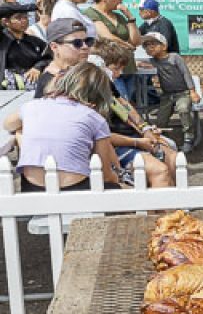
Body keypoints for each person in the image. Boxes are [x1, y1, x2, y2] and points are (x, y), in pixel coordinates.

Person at [4, 62, 123, 191]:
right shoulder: (94, 118)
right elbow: (104, 173)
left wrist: (20, 132)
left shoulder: (32, 106)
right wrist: (116, 179)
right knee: (115, 186)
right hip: (77, 190)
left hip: (33, 189)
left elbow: (7, 124)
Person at [92, 40, 177, 187]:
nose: (118, 74)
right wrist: (139, 142)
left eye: (121, 69)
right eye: (115, 69)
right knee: (160, 170)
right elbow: (102, 137)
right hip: (115, 145)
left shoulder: (109, 87)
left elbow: (125, 107)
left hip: (132, 137)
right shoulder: (92, 95)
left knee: (174, 157)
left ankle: (177, 204)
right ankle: (163, 208)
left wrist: (145, 128)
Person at [83, 0, 142, 99]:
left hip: (127, 67)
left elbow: (136, 41)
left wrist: (130, 17)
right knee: (120, 103)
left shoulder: (118, 17)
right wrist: (127, 46)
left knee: (127, 103)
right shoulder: (91, 14)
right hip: (109, 67)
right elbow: (107, 36)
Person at [143, 31, 200, 154]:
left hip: (183, 92)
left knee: (183, 109)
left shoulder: (175, 57)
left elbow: (186, 73)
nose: (149, 47)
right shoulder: (152, 61)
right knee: (161, 119)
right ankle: (161, 140)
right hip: (167, 95)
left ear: (164, 46)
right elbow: (141, 65)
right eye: (146, 45)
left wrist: (192, 91)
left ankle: (188, 137)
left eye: (153, 44)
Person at [34, 18, 94, 98]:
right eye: (77, 43)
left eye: (88, 41)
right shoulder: (50, 83)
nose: (85, 46)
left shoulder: (92, 72)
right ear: (54, 47)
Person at [0, 2, 46, 88]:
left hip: (31, 87)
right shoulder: (2, 39)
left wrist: (37, 67)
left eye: (26, 17)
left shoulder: (34, 41)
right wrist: (29, 6)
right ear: (5, 21)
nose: (24, 20)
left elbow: (49, 56)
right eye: (18, 18)